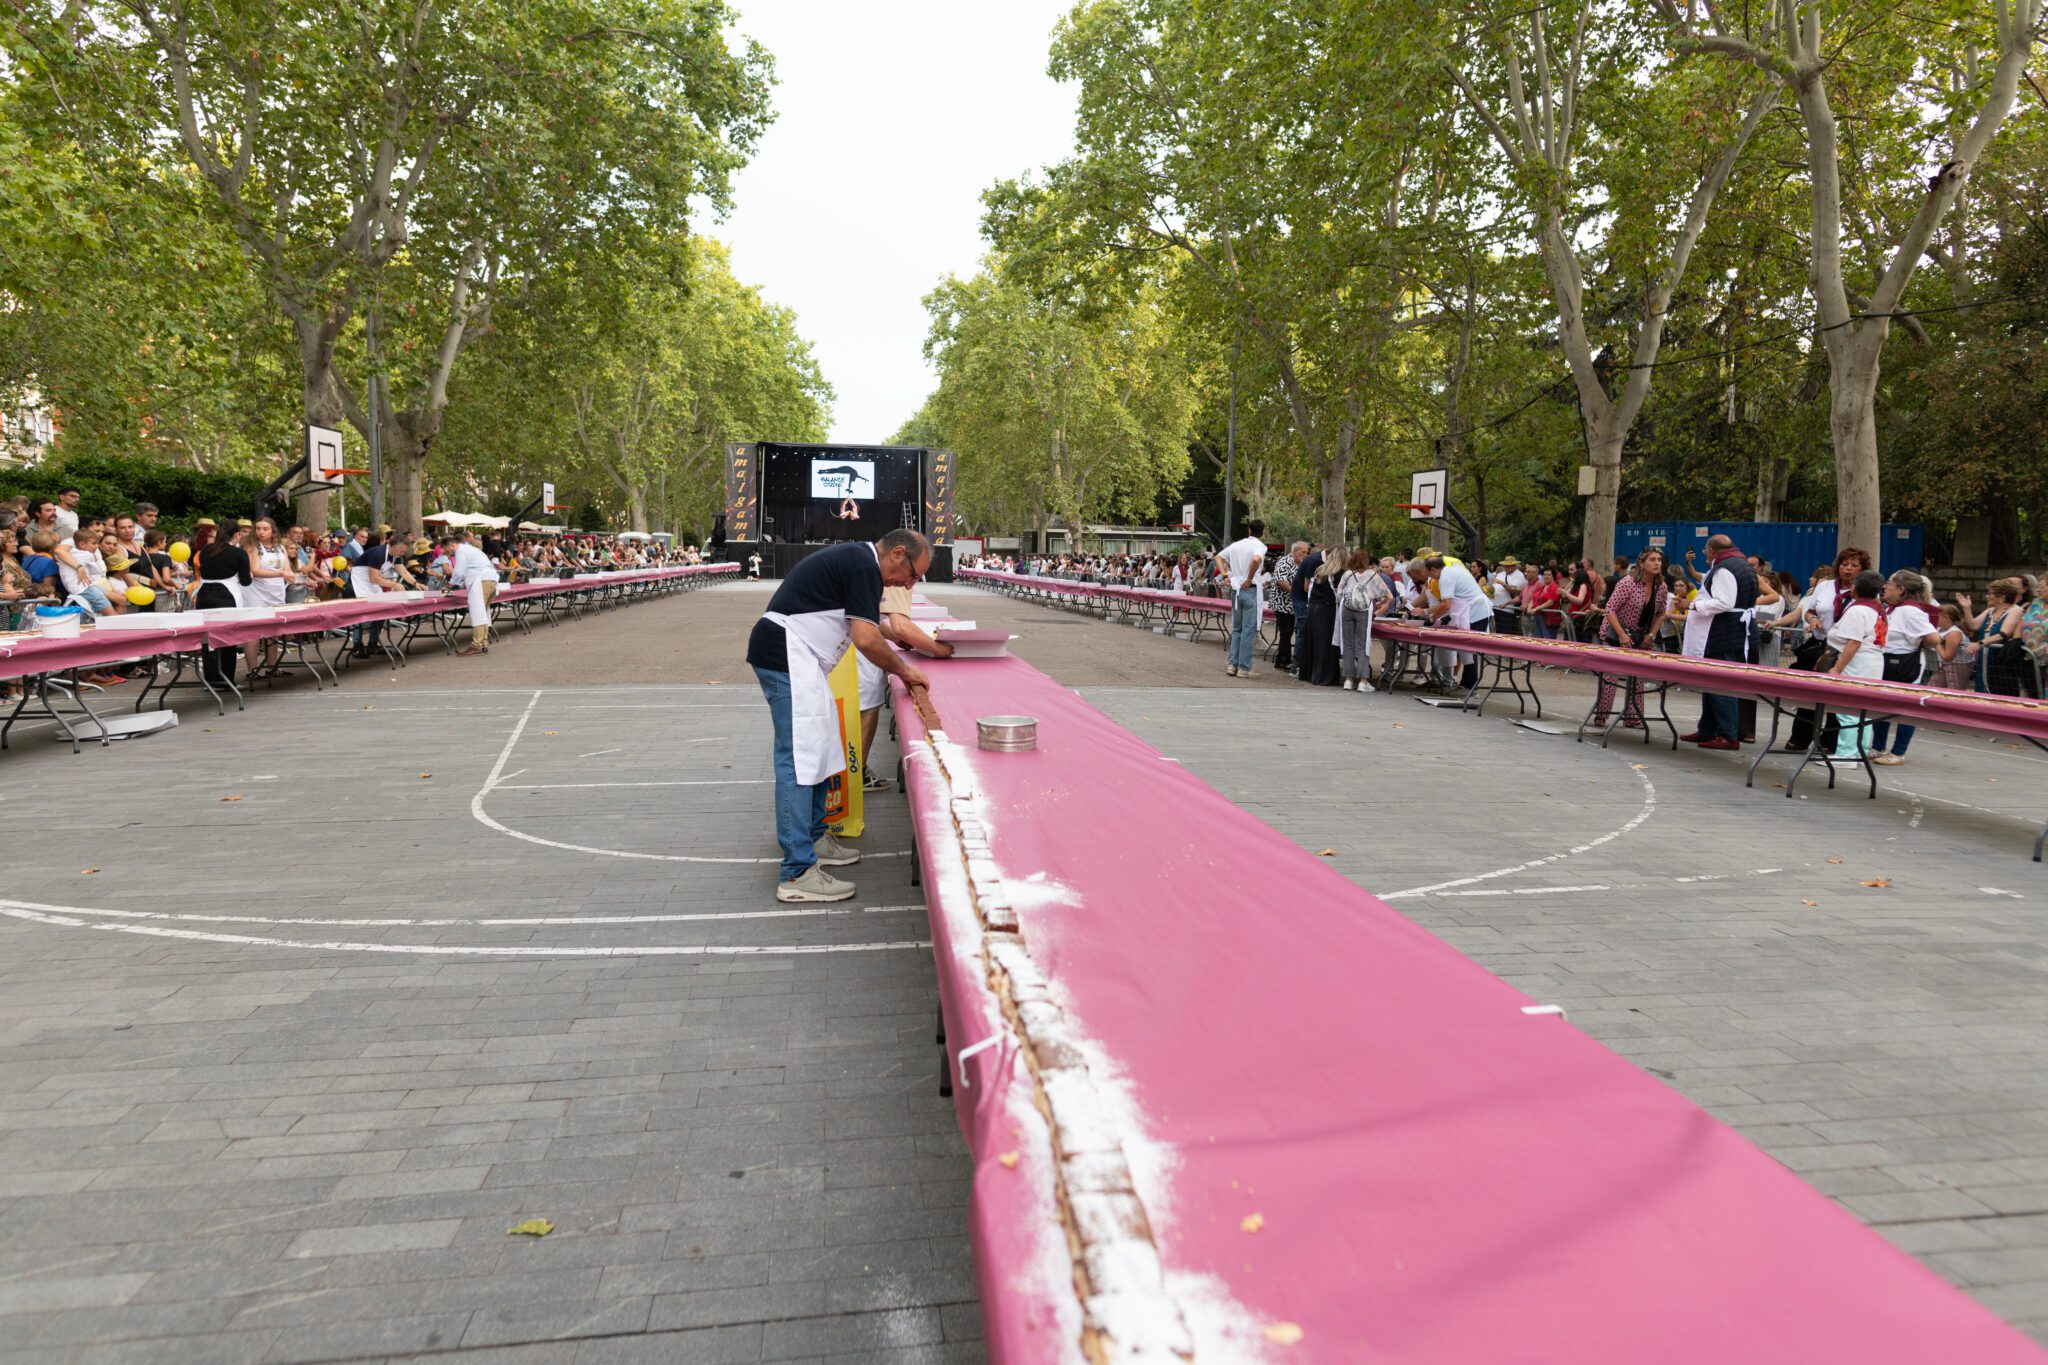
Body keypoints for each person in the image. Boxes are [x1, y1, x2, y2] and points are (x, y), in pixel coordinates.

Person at [747, 529, 932, 904]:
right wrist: (905, 670)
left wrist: (901, 642)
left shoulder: (860, 562)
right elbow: (864, 638)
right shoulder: (864, 566)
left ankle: (814, 838)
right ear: (897, 554)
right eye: (913, 574)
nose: (910, 584)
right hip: (787, 655)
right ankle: (797, 872)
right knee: (801, 759)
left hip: (798, 660)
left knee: (824, 748)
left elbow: (864, 624)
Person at [858, 579, 955, 791]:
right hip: (853, 649)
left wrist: (893, 636)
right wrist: (937, 648)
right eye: (915, 575)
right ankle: (856, 773)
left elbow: (870, 618)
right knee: (867, 707)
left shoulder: (878, 570)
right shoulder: (897, 578)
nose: (912, 584)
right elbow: (901, 626)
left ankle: (850, 771)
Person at [1679, 534, 1757, 751]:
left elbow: (1725, 602)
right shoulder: (1741, 563)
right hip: (1733, 630)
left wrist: (1693, 606)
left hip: (1724, 631)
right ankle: (1707, 729)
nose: (1705, 554)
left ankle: (1728, 734)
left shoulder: (1724, 569)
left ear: (1712, 550)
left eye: (1705, 551)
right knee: (1711, 682)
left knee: (1720, 684)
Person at [1866, 570, 1939, 765]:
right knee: (1881, 705)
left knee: (1905, 707)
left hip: (1905, 664)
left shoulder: (1910, 611)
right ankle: (1878, 746)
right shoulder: (1892, 608)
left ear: (1901, 589)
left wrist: (1918, 643)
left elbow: (1933, 638)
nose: (1885, 586)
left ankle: (1898, 752)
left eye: (1889, 582)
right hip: (1887, 661)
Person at [1594, 549, 1671, 728]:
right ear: (1642, 563)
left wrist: (1651, 635)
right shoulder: (1628, 583)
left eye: (1659, 560)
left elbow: (1660, 614)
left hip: (1641, 636)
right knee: (1610, 676)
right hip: (1616, 632)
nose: (1657, 563)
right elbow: (1610, 608)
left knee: (1637, 677)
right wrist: (1621, 634)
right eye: (1652, 560)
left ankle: (1633, 716)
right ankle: (1602, 715)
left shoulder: (1662, 587)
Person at [1826, 570, 1888, 758]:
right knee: (1863, 710)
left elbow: (1853, 642)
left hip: (1857, 662)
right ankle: (1859, 751)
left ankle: (1846, 754)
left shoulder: (1858, 610)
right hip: (1872, 661)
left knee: (1848, 709)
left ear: (1854, 588)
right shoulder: (1875, 608)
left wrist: (1837, 668)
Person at [1423, 552, 1493, 690]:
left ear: (1433, 570)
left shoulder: (1445, 577)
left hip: (1476, 611)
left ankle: (1469, 686)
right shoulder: (1452, 570)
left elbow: (1446, 604)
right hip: (1472, 610)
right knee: (1467, 647)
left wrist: (1431, 619)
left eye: (1431, 575)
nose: (1433, 579)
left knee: (1470, 647)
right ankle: (1467, 684)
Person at [1214, 519, 1266, 678]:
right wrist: (1250, 578)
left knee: (1237, 628)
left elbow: (1217, 557)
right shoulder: (1260, 546)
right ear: (1261, 532)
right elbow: (1256, 560)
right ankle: (1244, 667)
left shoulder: (1236, 545)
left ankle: (1232, 664)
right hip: (1250, 588)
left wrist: (1225, 575)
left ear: (1249, 530)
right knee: (1248, 630)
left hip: (1236, 589)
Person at [1958, 578, 2029, 696]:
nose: (1987, 596)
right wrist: (1966, 608)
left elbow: (2003, 633)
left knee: (1999, 695)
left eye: (1990, 594)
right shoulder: (1990, 610)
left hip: (2001, 662)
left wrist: (1979, 644)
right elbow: (1973, 625)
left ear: (2001, 597)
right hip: (1984, 660)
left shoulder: (2016, 611)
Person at [1335, 548, 1386, 692]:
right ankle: (1363, 681)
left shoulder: (1347, 574)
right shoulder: (1373, 575)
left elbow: (1338, 594)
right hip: (1363, 611)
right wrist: (1379, 607)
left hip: (1346, 609)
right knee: (1363, 644)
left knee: (1348, 644)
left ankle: (1348, 680)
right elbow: (1386, 595)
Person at [447, 531, 500, 656]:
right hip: (489, 580)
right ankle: (483, 644)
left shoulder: (461, 550)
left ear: (451, 545)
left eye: (447, 550)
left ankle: (477, 645)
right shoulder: (471, 549)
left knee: (478, 612)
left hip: (481, 581)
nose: (448, 554)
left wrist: (450, 584)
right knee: (483, 613)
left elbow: (459, 572)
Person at [1267, 542, 1305, 673]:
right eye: (1303, 552)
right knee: (1286, 631)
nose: (1305, 555)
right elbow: (1281, 581)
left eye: (1306, 552)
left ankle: (1282, 660)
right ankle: (1284, 661)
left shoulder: (1299, 564)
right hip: (1281, 603)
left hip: (1291, 604)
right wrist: (1295, 593)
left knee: (1287, 631)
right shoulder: (1284, 562)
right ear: (1294, 551)